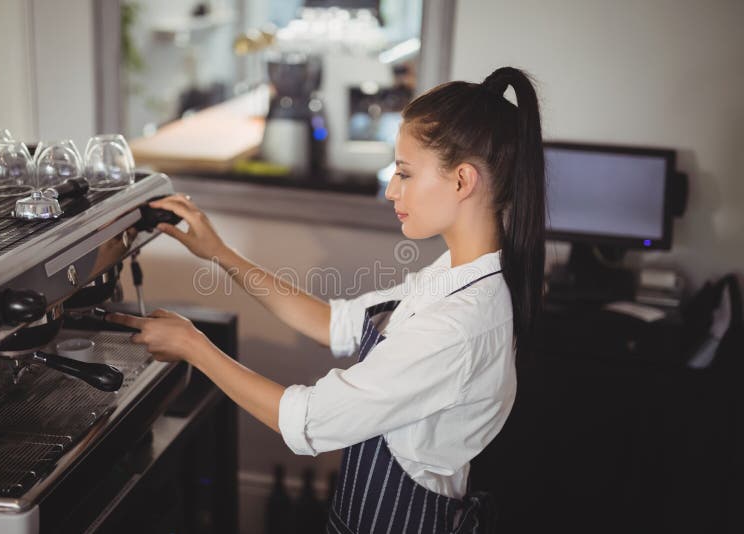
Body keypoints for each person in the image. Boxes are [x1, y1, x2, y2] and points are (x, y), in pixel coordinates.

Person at [108, 66, 546, 534]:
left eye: (404, 173)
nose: (392, 190)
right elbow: (332, 322)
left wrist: (193, 345)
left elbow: (307, 420)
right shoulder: (453, 277)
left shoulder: (459, 324)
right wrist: (220, 253)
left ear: (462, 181)